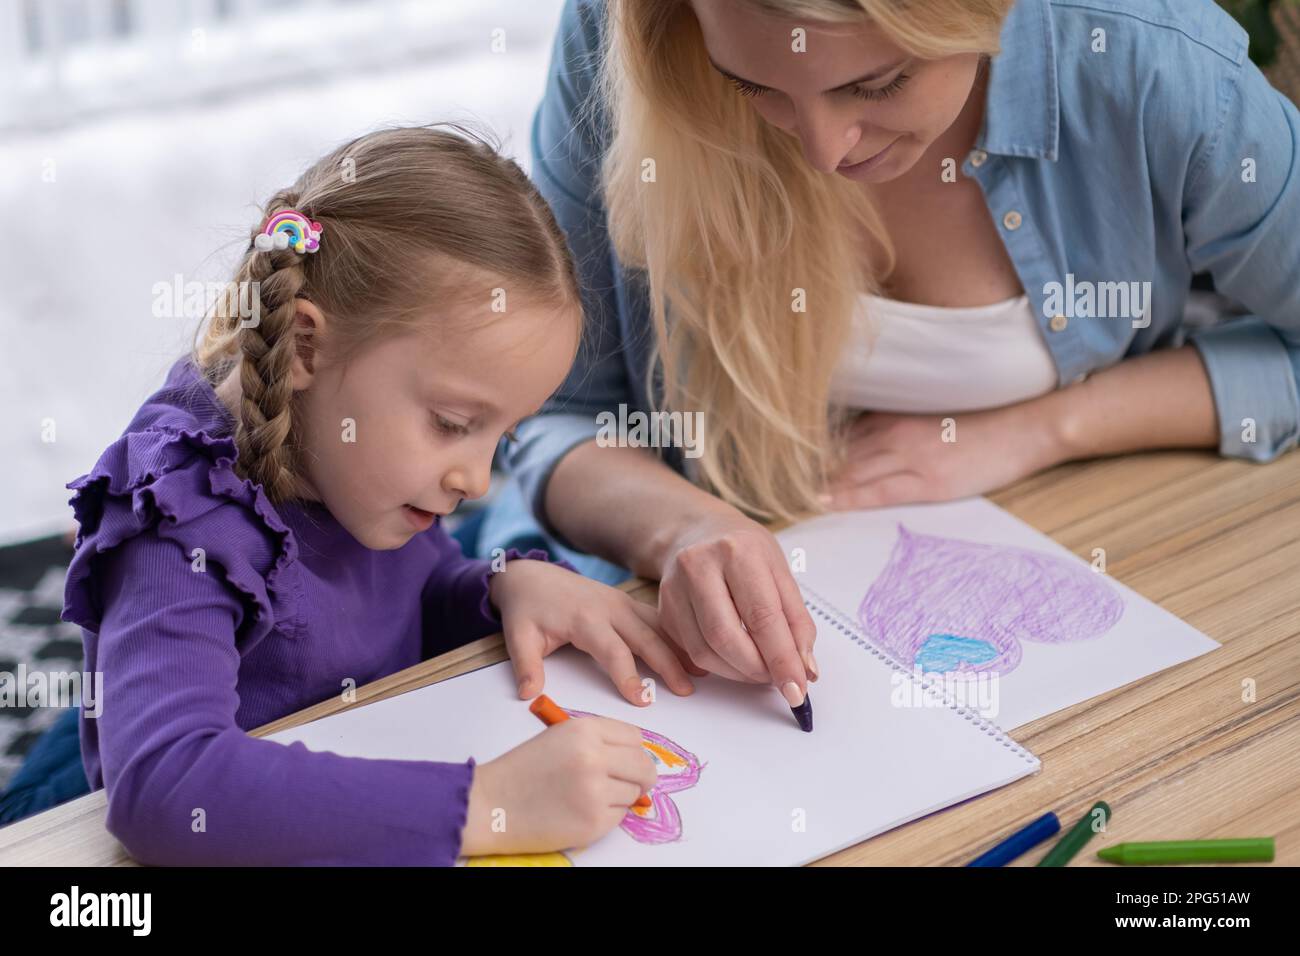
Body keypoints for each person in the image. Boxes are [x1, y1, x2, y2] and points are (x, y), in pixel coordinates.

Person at [480, 0, 1299, 700]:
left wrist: (1040, 430)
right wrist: (680, 529)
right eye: (752, 87)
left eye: (878, 84)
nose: (824, 152)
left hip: (1139, 549)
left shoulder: (1146, 60)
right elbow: (554, 414)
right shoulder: (628, 29)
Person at [39, 125, 703, 864]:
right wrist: (489, 806)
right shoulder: (179, 523)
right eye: (453, 424)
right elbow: (166, 788)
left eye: (503, 437)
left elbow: (400, 607)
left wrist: (500, 589)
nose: (477, 481)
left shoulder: (363, 465)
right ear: (303, 347)